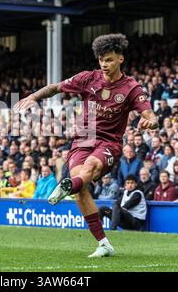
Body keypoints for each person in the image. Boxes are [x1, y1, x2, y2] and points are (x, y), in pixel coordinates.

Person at [15, 33, 158, 257]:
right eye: (101, 59)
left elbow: (150, 114)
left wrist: (150, 120)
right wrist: (33, 97)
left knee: (90, 167)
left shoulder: (131, 88)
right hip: (82, 140)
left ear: (121, 58)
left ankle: (66, 187)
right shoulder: (88, 78)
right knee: (81, 190)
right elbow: (55, 88)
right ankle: (103, 243)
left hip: (108, 142)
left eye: (109, 59)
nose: (104, 64)